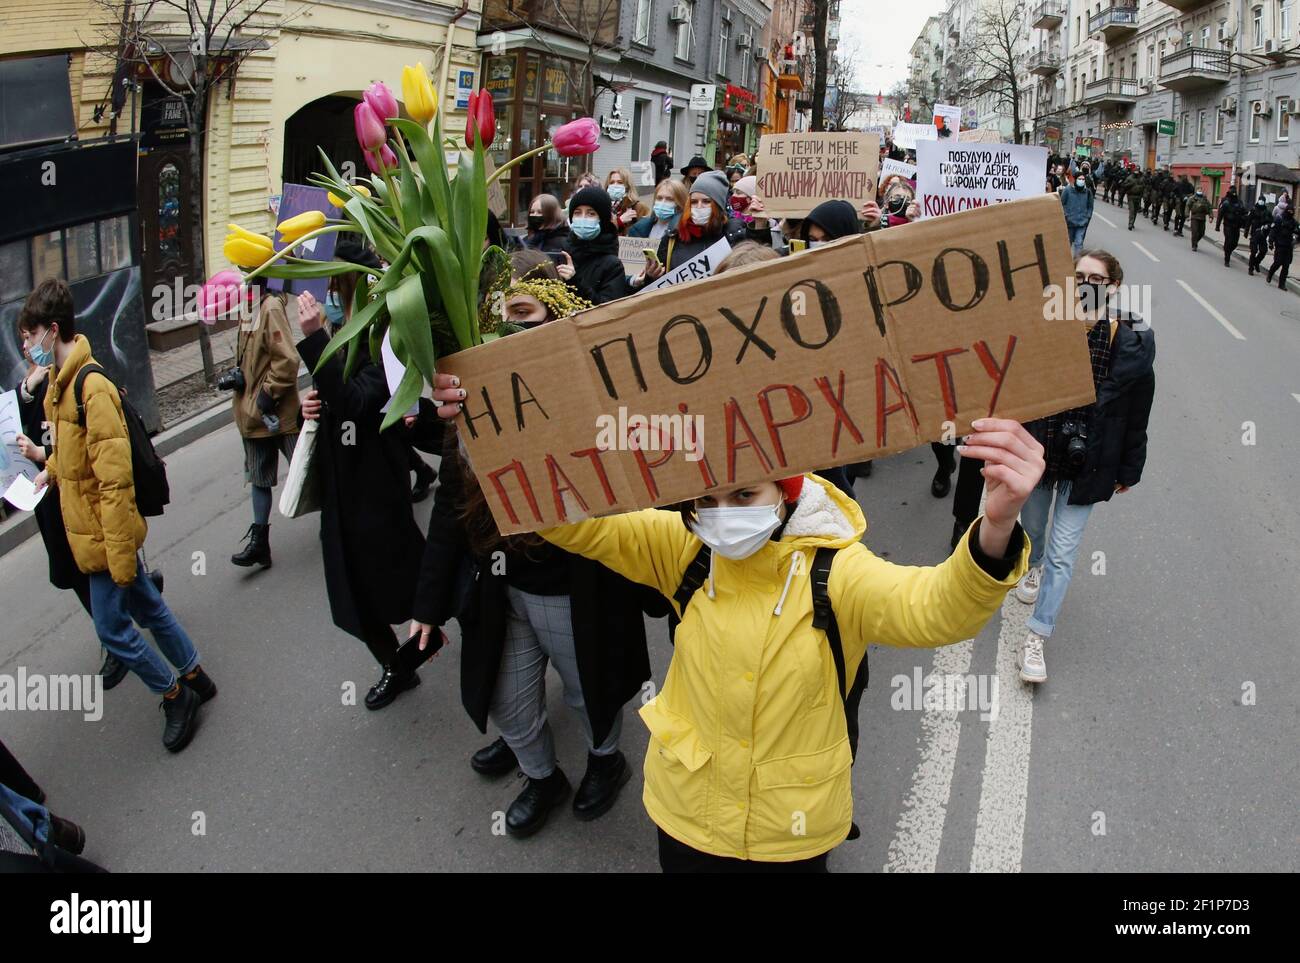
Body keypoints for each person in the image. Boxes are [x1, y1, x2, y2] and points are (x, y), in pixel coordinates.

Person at [425, 373, 1041, 870]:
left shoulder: (836, 572)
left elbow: (937, 608)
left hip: (790, 837)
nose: (723, 517)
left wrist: (996, 526)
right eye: (708, 501)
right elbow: (568, 518)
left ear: (787, 490)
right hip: (686, 817)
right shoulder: (684, 549)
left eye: (745, 495)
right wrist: (488, 430)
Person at [407, 276, 657, 839]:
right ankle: (541, 776)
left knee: (587, 690)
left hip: (574, 587)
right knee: (507, 700)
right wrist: (427, 603)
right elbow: (451, 506)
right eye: (495, 318)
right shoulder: (470, 408)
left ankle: (605, 759)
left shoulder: (593, 395)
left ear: (554, 320)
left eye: (521, 312)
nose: (505, 328)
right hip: (499, 587)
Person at [22, 279, 215, 751]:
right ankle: (195, 674)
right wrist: (49, 470)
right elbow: (74, 452)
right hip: (95, 529)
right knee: (149, 606)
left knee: (113, 628)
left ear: (52, 331)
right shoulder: (59, 385)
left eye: (30, 337)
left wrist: (118, 554)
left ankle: (175, 696)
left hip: (105, 537)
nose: (27, 347)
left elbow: (114, 481)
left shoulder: (90, 387)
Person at [1015, 250, 1155, 684]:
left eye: (1094, 278)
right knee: (1034, 531)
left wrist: (1128, 469)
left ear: (1113, 287)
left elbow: (1138, 412)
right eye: (1078, 275)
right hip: (1042, 450)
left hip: (1090, 460)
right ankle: (1030, 564)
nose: (1084, 283)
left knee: (1064, 554)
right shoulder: (1047, 324)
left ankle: (1038, 635)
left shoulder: (1130, 340)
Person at [294, 290, 429, 710]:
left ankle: (462, 629)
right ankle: (396, 665)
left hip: (376, 488)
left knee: (418, 580)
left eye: (341, 291)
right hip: (341, 490)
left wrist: (315, 339)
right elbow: (336, 397)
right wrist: (312, 405)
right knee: (349, 591)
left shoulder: (383, 341)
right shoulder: (342, 337)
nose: (331, 301)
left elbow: (355, 402)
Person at [14, 351, 126, 690]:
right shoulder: (27, 389)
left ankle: (117, 641)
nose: (26, 346)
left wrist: (41, 454)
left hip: (71, 489)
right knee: (71, 565)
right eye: (22, 338)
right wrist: (26, 394)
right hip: (45, 492)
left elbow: (72, 446)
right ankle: (124, 614)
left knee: (90, 563)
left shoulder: (69, 383)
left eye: (30, 335)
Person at [327, 239, 437, 502]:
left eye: (334, 279)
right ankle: (421, 471)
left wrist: (408, 404)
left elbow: (397, 353)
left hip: (378, 393)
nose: (329, 287)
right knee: (380, 439)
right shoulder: (341, 310)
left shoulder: (378, 310)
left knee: (395, 440)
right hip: (362, 396)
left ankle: (421, 472)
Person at [228, 287, 300, 568]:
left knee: (306, 470)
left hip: (278, 413)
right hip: (252, 416)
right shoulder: (248, 308)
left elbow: (287, 359)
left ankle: (338, 524)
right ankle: (260, 543)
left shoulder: (269, 307)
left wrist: (268, 394)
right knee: (259, 477)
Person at [634, 171, 755, 283]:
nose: (699, 206)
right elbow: (657, 285)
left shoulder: (734, 235)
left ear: (718, 206)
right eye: (694, 202)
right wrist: (651, 276)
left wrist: (760, 225)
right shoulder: (673, 237)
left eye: (706, 201)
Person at [558, 187, 632, 305]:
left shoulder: (612, 265)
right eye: (577, 213)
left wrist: (575, 282)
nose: (583, 218)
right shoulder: (561, 251)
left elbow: (608, 309)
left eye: (591, 213)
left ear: (602, 219)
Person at [627, 177, 686, 242]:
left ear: (680, 203)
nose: (663, 203)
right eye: (659, 198)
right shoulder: (638, 228)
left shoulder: (684, 233)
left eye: (670, 199)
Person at [604, 167, 650, 235]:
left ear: (627, 186)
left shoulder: (638, 207)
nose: (615, 185)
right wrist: (619, 221)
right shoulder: (603, 206)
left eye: (620, 182)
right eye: (612, 182)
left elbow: (643, 233)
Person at [1060, 171, 1095, 257]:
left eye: (1083, 179)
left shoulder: (1087, 192)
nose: (1082, 181)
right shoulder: (1068, 190)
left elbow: (1090, 206)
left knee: (1079, 244)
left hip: (1082, 223)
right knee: (1068, 244)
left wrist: (1087, 216)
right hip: (1069, 222)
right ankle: (1065, 262)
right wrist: (1066, 215)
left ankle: (1077, 263)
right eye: (1079, 179)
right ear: (1075, 180)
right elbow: (1061, 203)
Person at [1265, 204, 1299, 289]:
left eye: (1292, 212)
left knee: (1286, 266)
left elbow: (1298, 231)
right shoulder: (1279, 219)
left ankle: (1281, 284)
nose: (1291, 213)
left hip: (1288, 246)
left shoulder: (1294, 222)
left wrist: (1296, 240)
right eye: (1289, 211)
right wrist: (1271, 242)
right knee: (1277, 263)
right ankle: (1270, 273)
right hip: (1280, 244)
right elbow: (1273, 230)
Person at [1216, 189, 1245, 267]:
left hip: (1236, 226)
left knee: (1234, 243)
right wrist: (1217, 226)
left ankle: (1227, 250)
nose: (1234, 196)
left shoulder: (1240, 203)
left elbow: (1244, 213)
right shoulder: (1226, 203)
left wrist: (1244, 222)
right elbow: (1220, 215)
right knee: (1229, 241)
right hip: (1228, 225)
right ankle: (1227, 259)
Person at [1246, 197, 1273, 276]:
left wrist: (1267, 226)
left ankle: (1256, 262)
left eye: (1263, 201)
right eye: (1260, 200)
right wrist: (1246, 231)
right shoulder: (1253, 210)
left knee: (1263, 250)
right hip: (1254, 233)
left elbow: (1271, 222)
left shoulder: (1267, 212)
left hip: (1263, 235)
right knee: (1253, 251)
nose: (1261, 202)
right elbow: (1248, 221)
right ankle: (1251, 268)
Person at [1187, 188, 1212, 252]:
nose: (1200, 191)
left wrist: (1210, 217)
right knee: (1194, 232)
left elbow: (1209, 208)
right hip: (1194, 217)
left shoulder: (1205, 199)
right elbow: (1188, 206)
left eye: (1201, 190)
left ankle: (1195, 241)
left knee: (1201, 232)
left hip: (1202, 218)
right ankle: (1194, 246)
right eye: (1199, 190)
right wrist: (1187, 215)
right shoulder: (1192, 198)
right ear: (1196, 190)